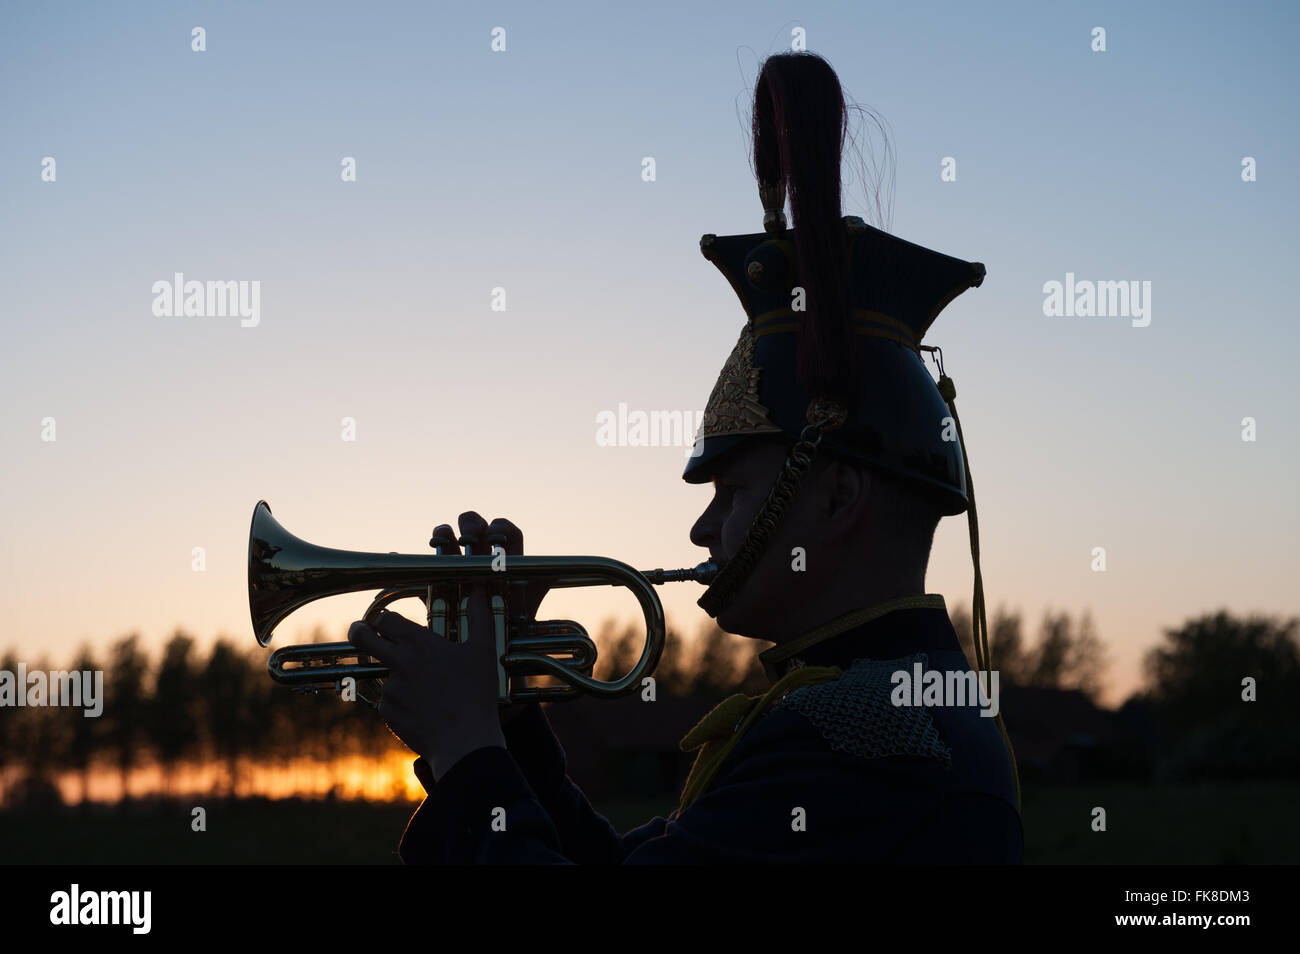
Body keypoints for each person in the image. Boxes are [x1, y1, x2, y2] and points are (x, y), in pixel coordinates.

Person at [349, 51, 1022, 863]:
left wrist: (462, 747)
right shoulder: (866, 707)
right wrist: (503, 716)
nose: (703, 528)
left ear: (838, 497)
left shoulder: (861, 732)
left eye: (732, 490)